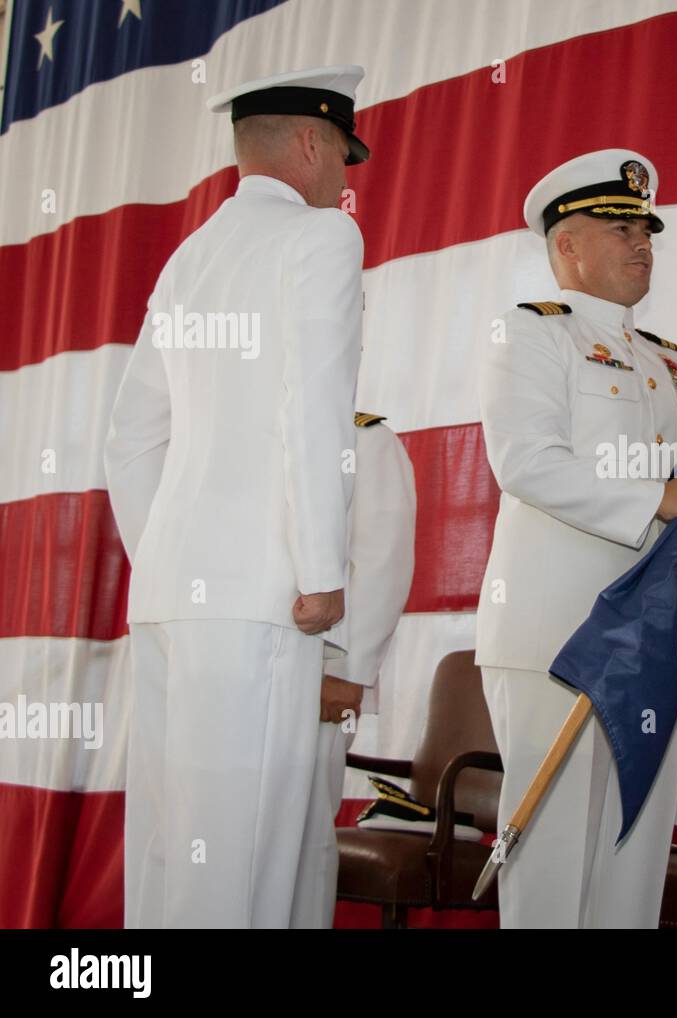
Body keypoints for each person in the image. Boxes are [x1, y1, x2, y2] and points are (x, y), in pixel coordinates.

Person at [475, 149, 677, 928]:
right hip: (558, 634)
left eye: (646, 227)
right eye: (619, 227)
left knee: (632, 864)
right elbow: (526, 463)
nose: (642, 242)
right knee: (552, 863)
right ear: (565, 245)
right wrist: (659, 496)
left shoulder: (673, 361)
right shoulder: (532, 335)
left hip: (650, 636)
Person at [104, 65, 370, 928]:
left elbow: (130, 435)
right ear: (308, 141)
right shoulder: (321, 237)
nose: (344, 175)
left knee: (170, 858)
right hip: (265, 604)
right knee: (249, 872)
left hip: (172, 604)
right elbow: (314, 411)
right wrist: (321, 568)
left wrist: (176, 565)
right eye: (340, 152)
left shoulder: (191, 255)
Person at [290, 412, 417, 929]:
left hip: (318, 673)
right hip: (240, 669)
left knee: (302, 838)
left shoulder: (366, 438)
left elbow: (384, 560)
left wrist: (350, 671)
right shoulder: (250, 431)